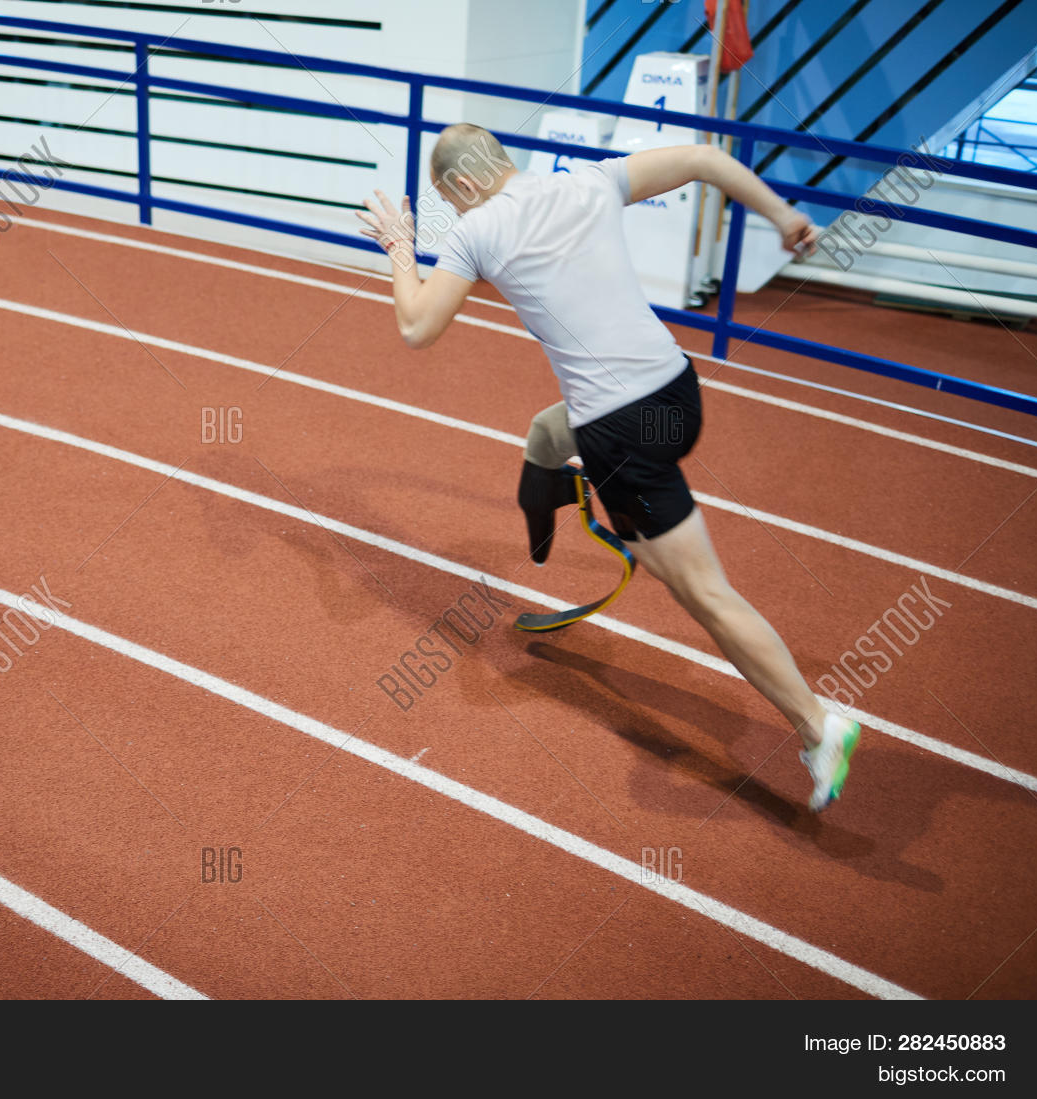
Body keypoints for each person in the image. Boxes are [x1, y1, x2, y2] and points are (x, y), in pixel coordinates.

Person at [355, 123, 859, 812]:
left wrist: (401, 247)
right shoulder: (588, 180)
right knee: (548, 429)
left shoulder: (478, 231)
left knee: (705, 594)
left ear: (467, 185)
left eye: (454, 201)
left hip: (622, 434)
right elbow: (707, 159)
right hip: (676, 397)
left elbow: (417, 327)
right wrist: (784, 215)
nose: (461, 215)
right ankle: (554, 497)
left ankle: (816, 724)